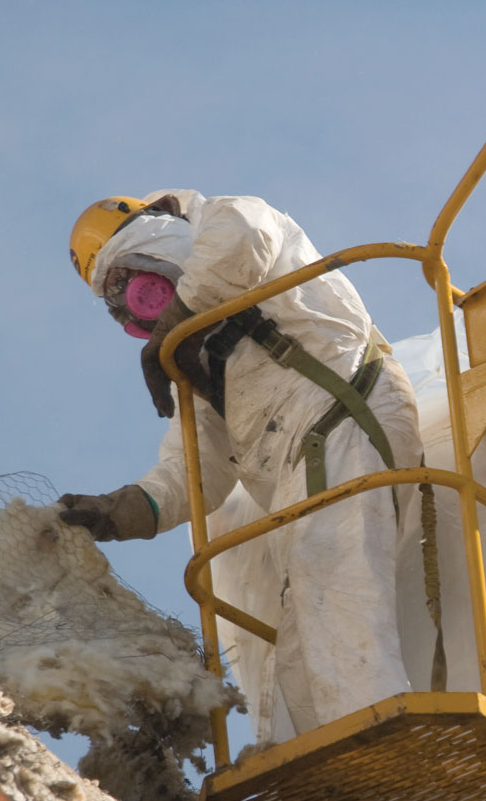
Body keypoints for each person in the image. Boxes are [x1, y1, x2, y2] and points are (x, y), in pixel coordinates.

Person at [60, 191, 422, 733]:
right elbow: (194, 469)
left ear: (154, 238)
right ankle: (339, 770)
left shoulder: (227, 220)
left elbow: (243, 241)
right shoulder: (202, 355)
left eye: (125, 285)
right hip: (310, 460)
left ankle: (385, 741)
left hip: (341, 418)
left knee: (334, 582)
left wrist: (178, 320)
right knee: (300, 652)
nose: (133, 309)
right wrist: (117, 512)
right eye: (117, 304)